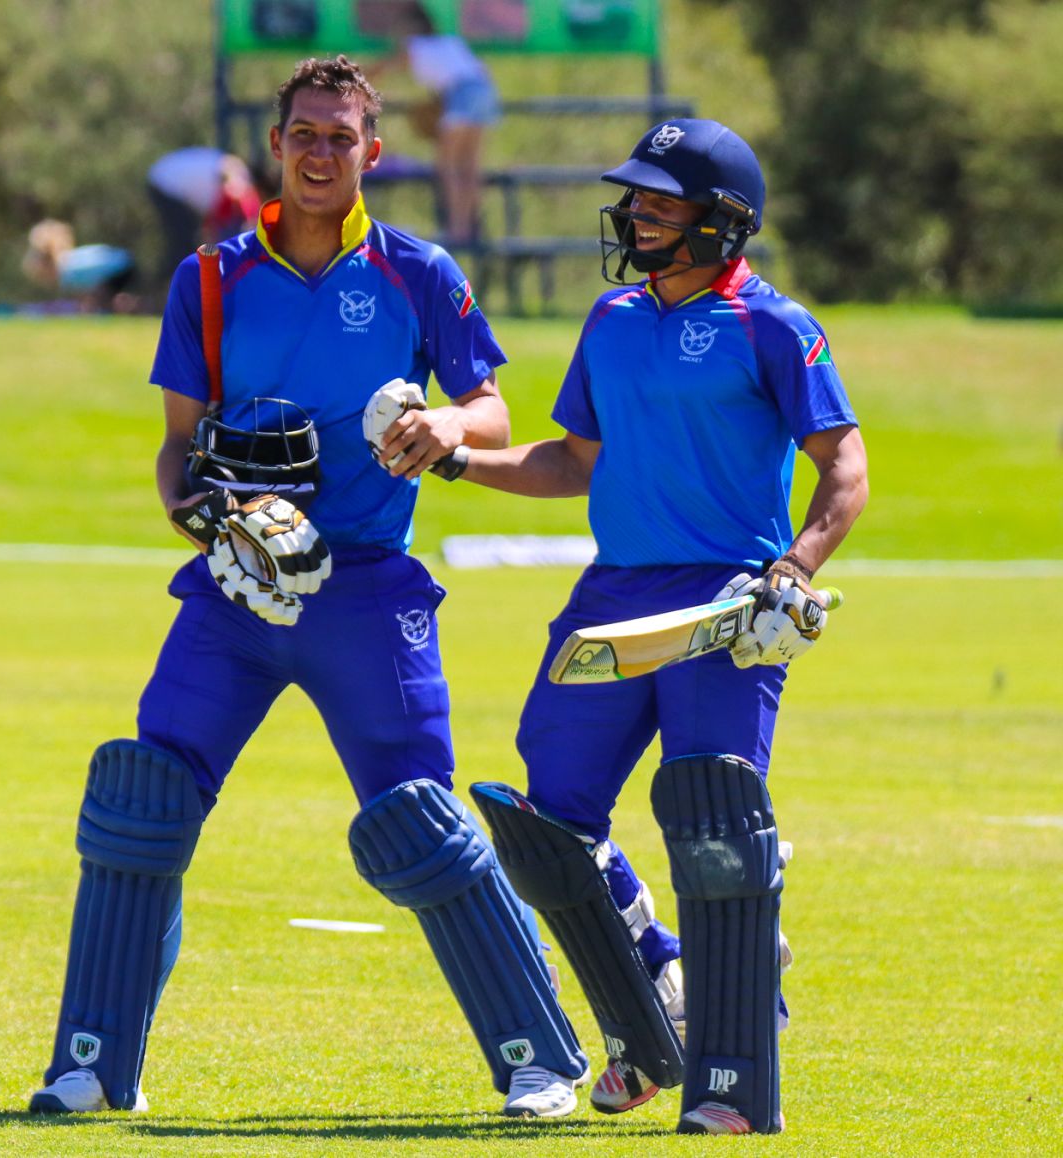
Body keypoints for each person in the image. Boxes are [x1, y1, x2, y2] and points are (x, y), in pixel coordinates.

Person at [28, 55, 589, 1120]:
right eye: (304, 133)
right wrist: (201, 517)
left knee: (420, 821)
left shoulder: (421, 272)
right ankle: (94, 1064)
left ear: (374, 151)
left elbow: (496, 416)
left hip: (369, 593)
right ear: (276, 145)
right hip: (234, 594)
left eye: (342, 135)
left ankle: (540, 1058)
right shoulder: (208, 278)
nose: (321, 151)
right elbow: (175, 452)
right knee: (140, 805)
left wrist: (444, 427)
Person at [383, 118, 868, 1135]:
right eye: (635, 198)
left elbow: (845, 469)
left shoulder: (776, 327)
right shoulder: (610, 320)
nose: (636, 213)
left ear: (721, 221)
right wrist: (458, 462)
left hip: (726, 602)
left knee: (714, 819)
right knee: (551, 821)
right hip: (615, 593)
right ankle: (655, 1000)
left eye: (659, 200)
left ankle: (736, 1056)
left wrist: (794, 567)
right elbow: (572, 461)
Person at [370, 2, 500, 245]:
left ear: (412, 26)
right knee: (469, 165)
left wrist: (351, 77)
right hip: (484, 90)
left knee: (448, 164)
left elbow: (380, 69)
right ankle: (472, 226)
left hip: (461, 93)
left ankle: (457, 229)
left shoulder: (415, 45)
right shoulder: (449, 42)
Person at [146, 148, 264, 296]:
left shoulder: (232, 173)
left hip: (164, 177)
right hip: (166, 183)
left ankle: (171, 291)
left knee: (185, 243)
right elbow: (238, 203)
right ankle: (169, 293)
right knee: (182, 243)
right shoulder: (240, 181)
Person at [21, 219, 138, 314]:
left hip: (120, 267)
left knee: (108, 301)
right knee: (106, 299)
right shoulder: (67, 260)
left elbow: (87, 294)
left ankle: (136, 309)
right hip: (122, 261)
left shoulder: (66, 273)